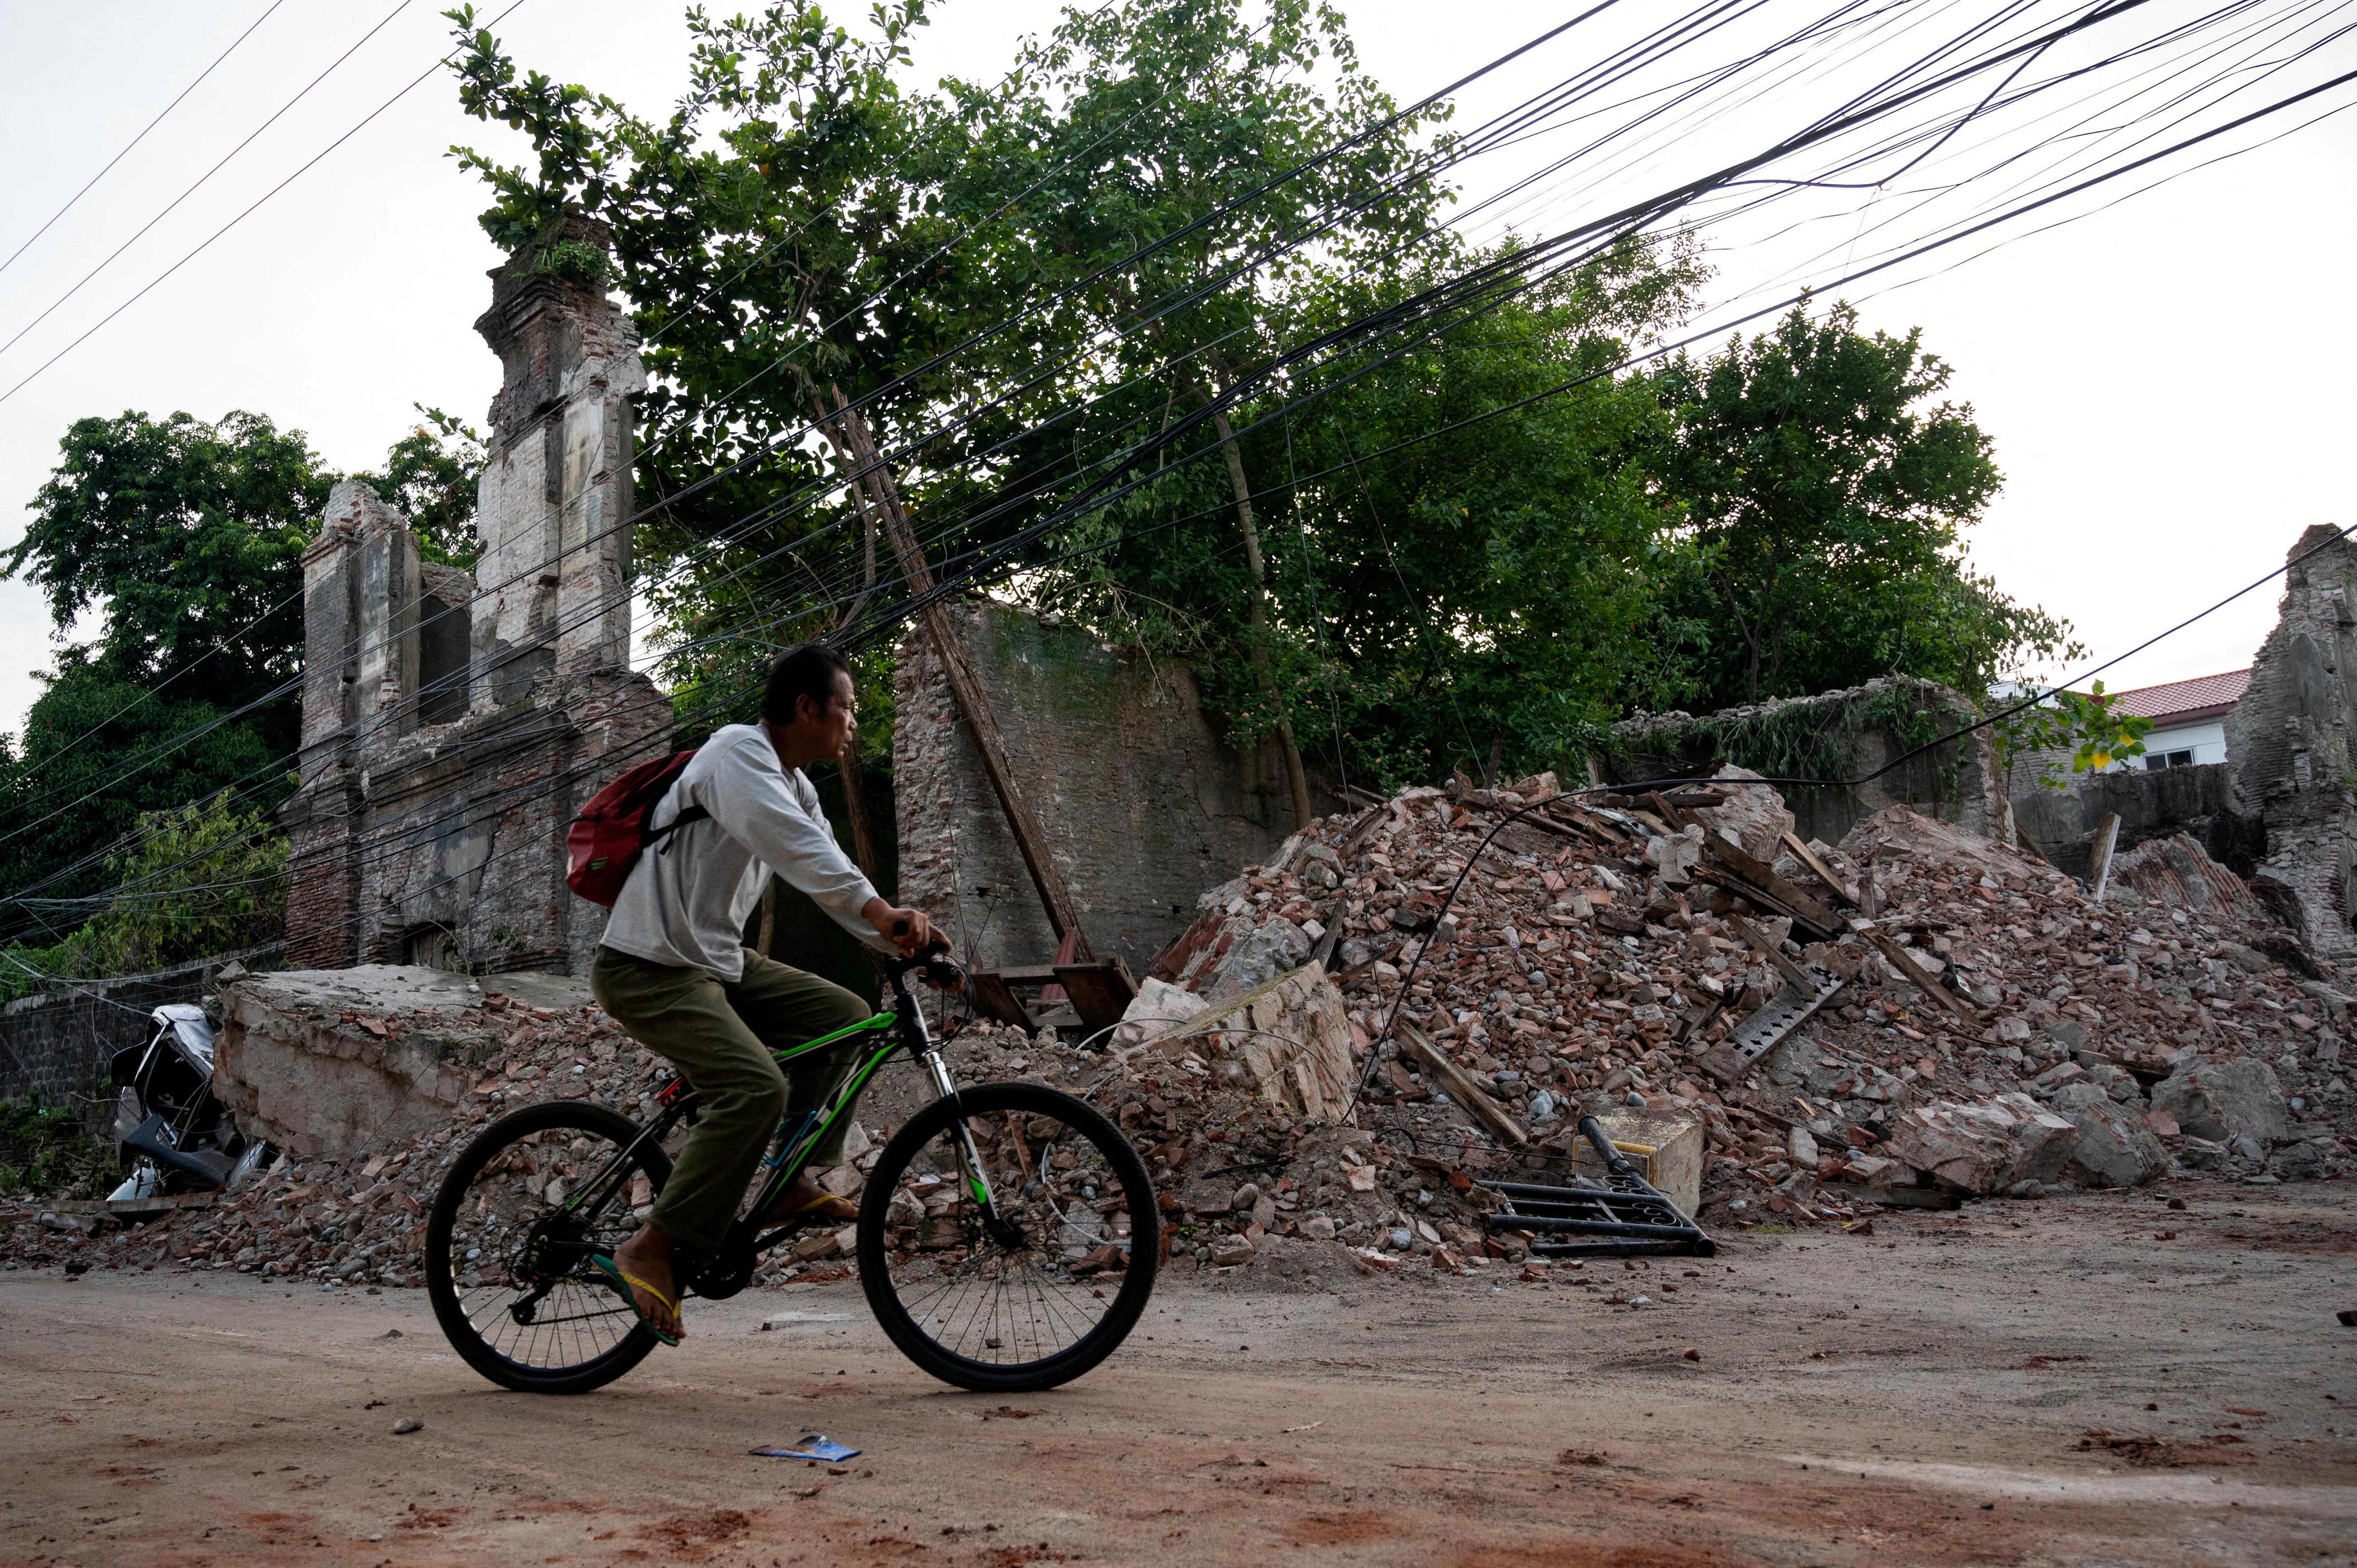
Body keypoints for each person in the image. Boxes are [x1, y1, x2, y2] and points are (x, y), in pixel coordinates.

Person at [588, 643, 936, 1343]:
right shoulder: (735, 755)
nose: (851, 728)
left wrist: (900, 937)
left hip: (715, 962)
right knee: (755, 1088)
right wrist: (879, 914)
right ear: (807, 708)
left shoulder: (799, 786)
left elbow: (827, 868)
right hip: (648, 963)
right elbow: (794, 848)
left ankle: (790, 1176)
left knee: (846, 1016)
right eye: (846, 711)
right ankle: (649, 1247)